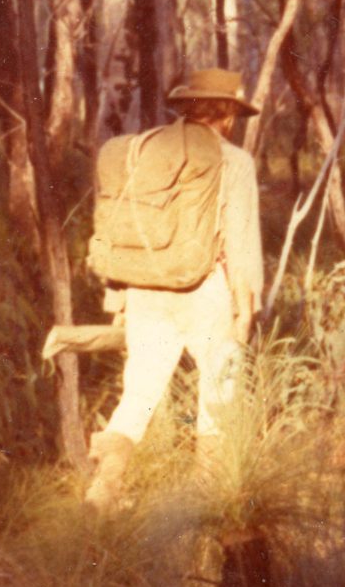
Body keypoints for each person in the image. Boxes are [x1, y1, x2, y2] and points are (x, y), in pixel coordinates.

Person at [85, 68, 263, 509]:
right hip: (207, 290)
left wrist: (118, 298)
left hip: (145, 288)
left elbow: (123, 226)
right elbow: (242, 241)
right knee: (218, 393)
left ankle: (103, 490)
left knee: (139, 395)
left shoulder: (148, 153)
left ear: (188, 106)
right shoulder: (234, 161)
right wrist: (246, 308)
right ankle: (209, 502)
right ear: (228, 115)